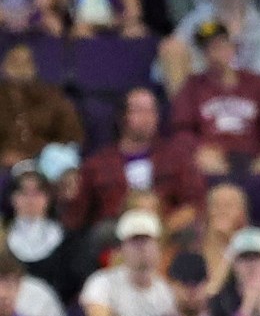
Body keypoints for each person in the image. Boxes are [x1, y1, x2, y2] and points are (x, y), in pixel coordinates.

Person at [169, 20, 260, 177]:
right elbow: (182, 130)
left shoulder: (257, 84)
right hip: (213, 157)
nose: (216, 54)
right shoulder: (193, 87)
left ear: (232, 48)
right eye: (209, 49)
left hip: (254, 158)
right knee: (201, 161)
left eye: (220, 46)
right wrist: (198, 149)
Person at [70, 88, 204, 235]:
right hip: (116, 236)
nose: (147, 117)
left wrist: (164, 230)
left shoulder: (176, 157)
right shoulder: (97, 165)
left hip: (168, 230)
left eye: (152, 111)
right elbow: (79, 217)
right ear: (123, 116)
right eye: (139, 110)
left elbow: (194, 204)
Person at [78, 211, 175, 316]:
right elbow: (97, 314)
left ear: (158, 247)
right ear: (121, 248)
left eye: (147, 241)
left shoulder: (166, 292)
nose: (141, 248)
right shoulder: (102, 281)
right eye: (134, 242)